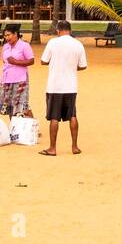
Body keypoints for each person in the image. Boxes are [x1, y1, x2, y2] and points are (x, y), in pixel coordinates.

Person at [38, 19, 87, 156]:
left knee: (54, 117)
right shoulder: (78, 44)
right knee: (72, 115)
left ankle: (52, 148)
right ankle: (75, 146)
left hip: (55, 85)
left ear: (58, 30)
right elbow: (83, 65)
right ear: (70, 30)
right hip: (71, 86)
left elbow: (43, 61)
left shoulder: (53, 43)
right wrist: (71, 67)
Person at [0, 27, 34, 119]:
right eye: (5, 36)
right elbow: (4, 61)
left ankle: (32, 125)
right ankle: (14, 127)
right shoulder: (5, 47)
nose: (6, 38)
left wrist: (16, 62)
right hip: (7, 80)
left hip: (20, 80)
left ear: (15, 34)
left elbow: (31, 61)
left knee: (22, 106)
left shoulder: (24, 46)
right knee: (10, 106)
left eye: (8, 35)